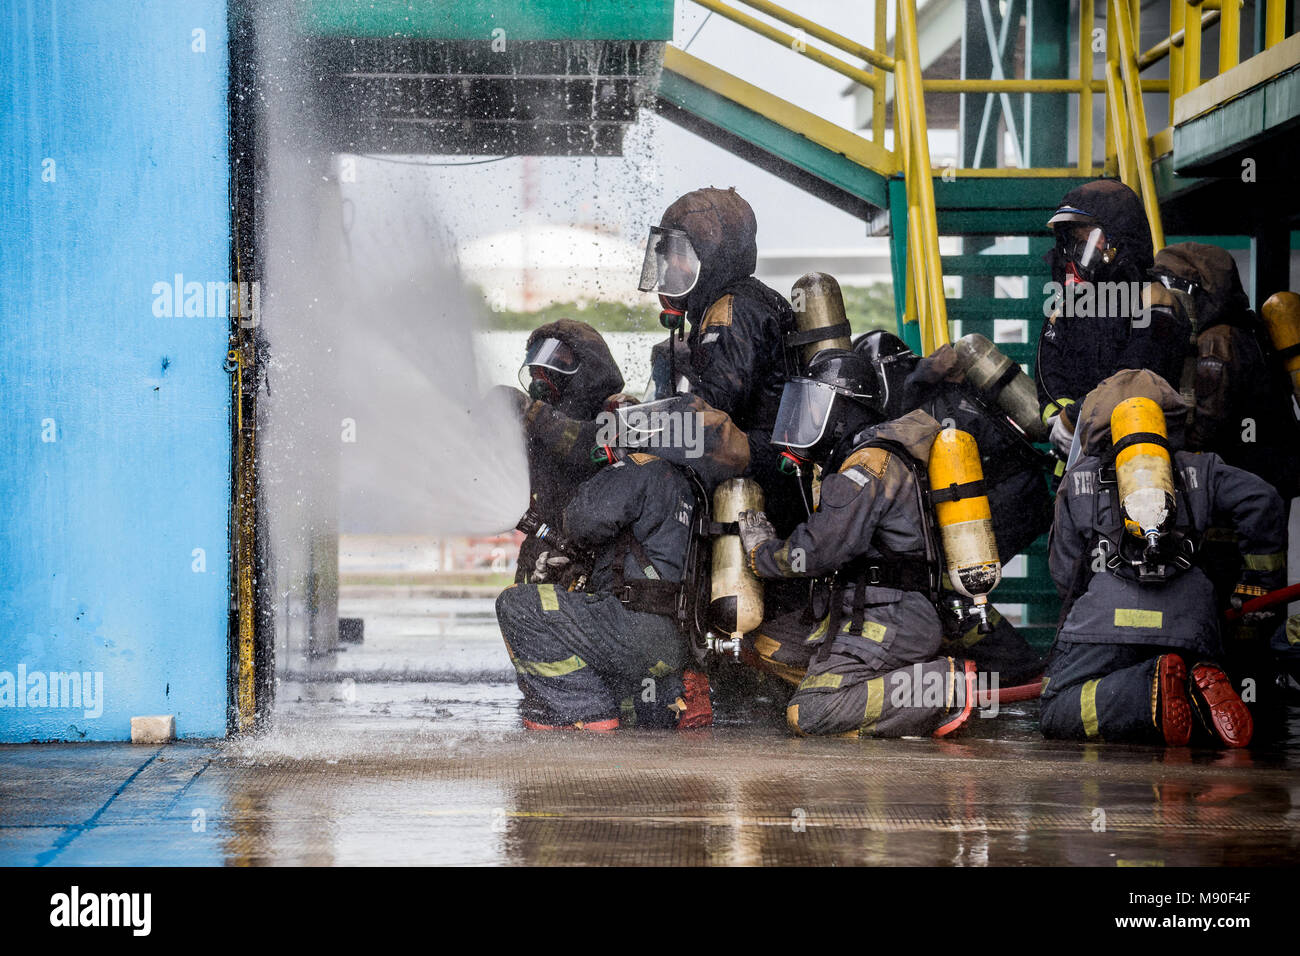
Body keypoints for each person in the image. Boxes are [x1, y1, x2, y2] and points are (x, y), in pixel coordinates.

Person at [733, 349, 976, 738]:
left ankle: (940, 685)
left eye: (814, 406)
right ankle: (863, 687)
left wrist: (763, 553)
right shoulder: (861, 457)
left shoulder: (869, 463)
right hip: (859, 611)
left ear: (842, 411)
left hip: (890, 617)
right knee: (764, 644)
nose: (805, 418)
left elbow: (821, 549)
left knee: (808, 714)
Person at [1040, 369, 1285, 746]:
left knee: (1058, 710)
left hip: (1107, 623)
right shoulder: (1202, 467)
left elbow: (1064, 570)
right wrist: (1256, 583)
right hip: (1190, 623)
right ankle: (1192, 685)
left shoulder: (1079, 478)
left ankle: (1148, 688)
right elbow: (1263, 499)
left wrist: (1087, 623)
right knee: (1192, 691)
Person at [857, 330, 1049, 686]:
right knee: (951, 584)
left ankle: (1015, 665)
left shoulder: (916, 401)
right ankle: (1007, 663)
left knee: (950, 585)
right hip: (1018, 491)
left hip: (1011, 494)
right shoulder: (931, 391)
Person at [495, 445, 712, 732]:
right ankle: (660, 702)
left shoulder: (642, 467)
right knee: (639, 703)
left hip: (633, 628)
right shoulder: (691, 484)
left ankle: (582, 712)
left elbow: (582, 520)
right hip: (673, 642)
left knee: (516, 604)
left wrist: (599, 483)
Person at [638, 187, 804, 542]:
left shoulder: (732, 310)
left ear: (711, 258)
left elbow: (713, 409)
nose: (670, 267)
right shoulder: (742, 302)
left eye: (679, 256)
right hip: (770, 466)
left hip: (763, 472)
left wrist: (635, 429)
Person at [1035, 179, 1189, 461]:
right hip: (1078, 466)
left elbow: (1134, 378)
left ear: (1121, 237)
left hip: (1143, 456)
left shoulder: (1153, 300)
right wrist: (1057, 419)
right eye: (1074, 240)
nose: (1081, 251)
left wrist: (1073, 418)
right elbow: (1048, 378)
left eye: (1091, 237)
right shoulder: (1068, 309)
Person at [511, 319, 624, 583]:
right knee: (521, 613)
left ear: (589, 366)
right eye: (537, 365)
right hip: (540, 552)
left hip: (595, 562)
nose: (542, 375)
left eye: (557, 360)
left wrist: (531, 412)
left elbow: (585, 446)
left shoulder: (616, 411)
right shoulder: (539, 424)